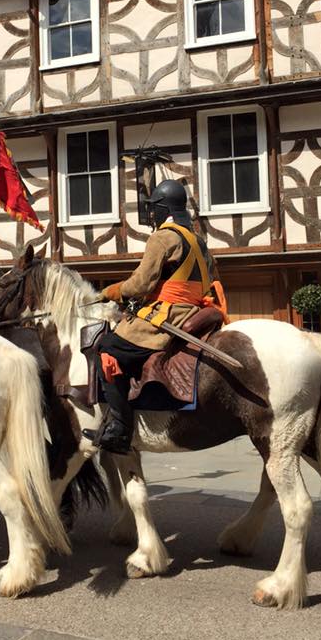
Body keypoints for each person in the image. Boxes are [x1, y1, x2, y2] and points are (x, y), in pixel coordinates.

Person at [83, 179, 226, 454]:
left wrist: (112, 291)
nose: (152, 215)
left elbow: (141, 285)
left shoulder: (163, 237)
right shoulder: (198, 240)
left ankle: (120, 430)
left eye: (154, 209)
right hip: (196, 309)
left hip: (168, 316)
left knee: (106, 348)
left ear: (163, 208)